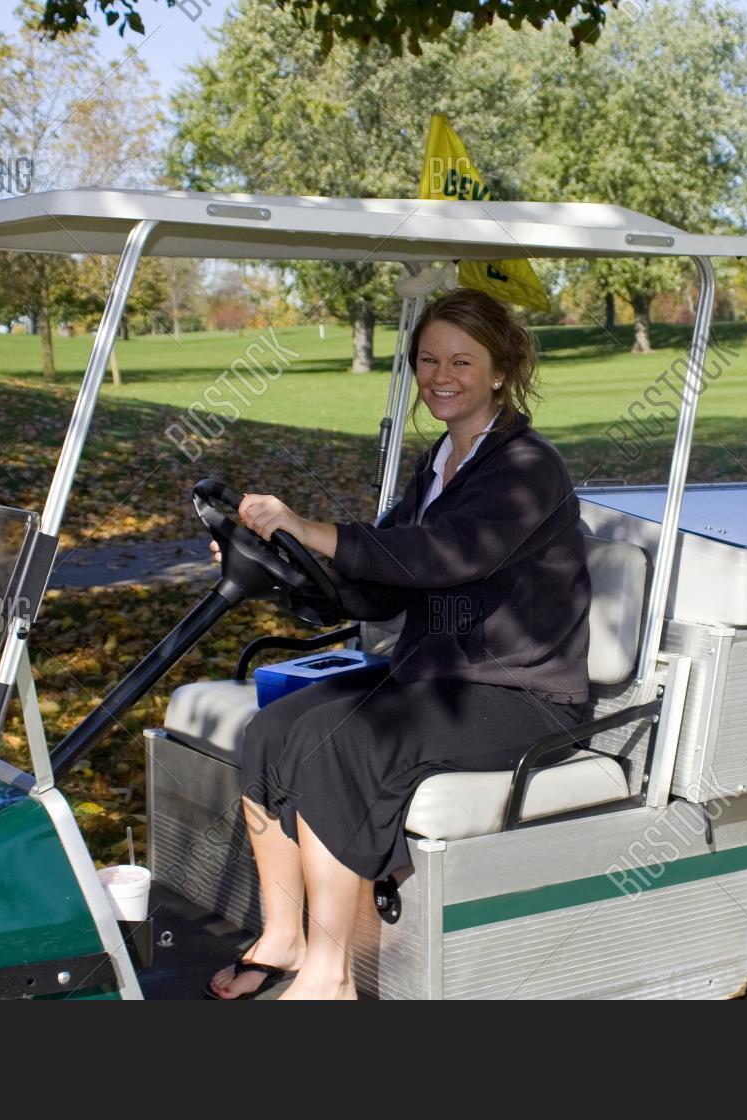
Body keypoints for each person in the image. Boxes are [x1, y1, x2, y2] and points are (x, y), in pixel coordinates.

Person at [205, 287, 592, 1000]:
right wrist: (290, 566)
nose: (441, 376)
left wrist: (313, 529)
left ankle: (331, 975)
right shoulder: (440, 461)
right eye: (428, 360)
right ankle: (284, 936)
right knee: (274, 730)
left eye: (462, 361)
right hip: (436, 677)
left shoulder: (527, 468)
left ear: (501, 371)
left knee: (342, 743)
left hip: (521, 694)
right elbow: (384, 584)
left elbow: (441, 557)